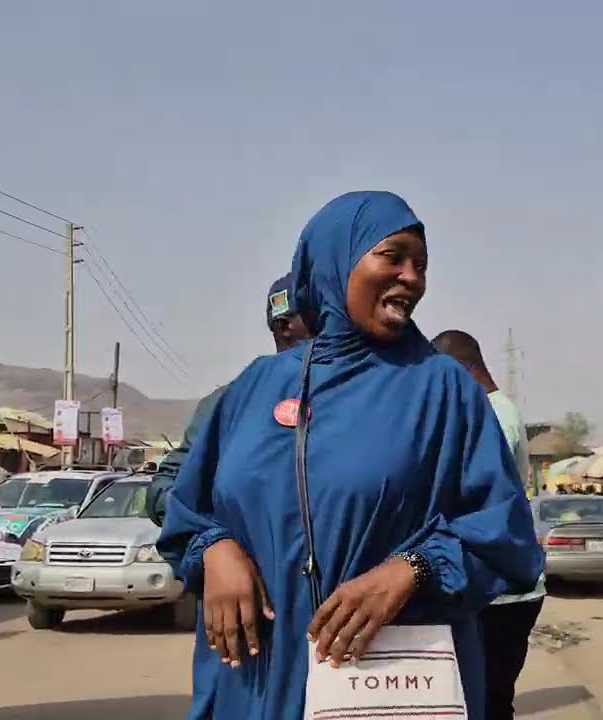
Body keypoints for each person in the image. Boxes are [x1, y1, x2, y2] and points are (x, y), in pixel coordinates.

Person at [158, 191, 543, 719]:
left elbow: (508, 536)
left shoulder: (442, 390)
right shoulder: (253, 388)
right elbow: (186, 512)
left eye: (421, 264)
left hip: (388, 684)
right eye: (393, 256)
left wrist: (413, 569)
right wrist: (214, 548)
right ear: (334, 260)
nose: (412, 276)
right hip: (253, 683)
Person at [433, 329, 546, 720]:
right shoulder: (502, 410)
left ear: (462, 370)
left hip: (500, 591)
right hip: (507, 587)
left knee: (486, 702)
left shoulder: (491, 415)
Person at [147, 272, 311, 526]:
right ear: (285, 326)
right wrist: (217, 536)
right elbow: (166, 487)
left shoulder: (345, 396)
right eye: (318, 312)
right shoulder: (229, 401)